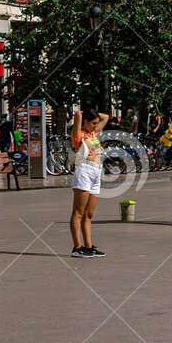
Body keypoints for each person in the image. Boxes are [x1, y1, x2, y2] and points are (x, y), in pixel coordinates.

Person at [68, 105, 111, 258]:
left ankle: (89, 246)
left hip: (96, 172)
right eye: (92, 122)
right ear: (85, 121)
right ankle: (77, 247)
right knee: (78, 212)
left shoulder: (92, 132)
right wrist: (81, 114)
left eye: (95, 123)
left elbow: (105, 117)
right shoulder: (78, 134)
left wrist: (92, 113)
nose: (96, 125)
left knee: (89, 214)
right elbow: (78, 116)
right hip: (84, 171)